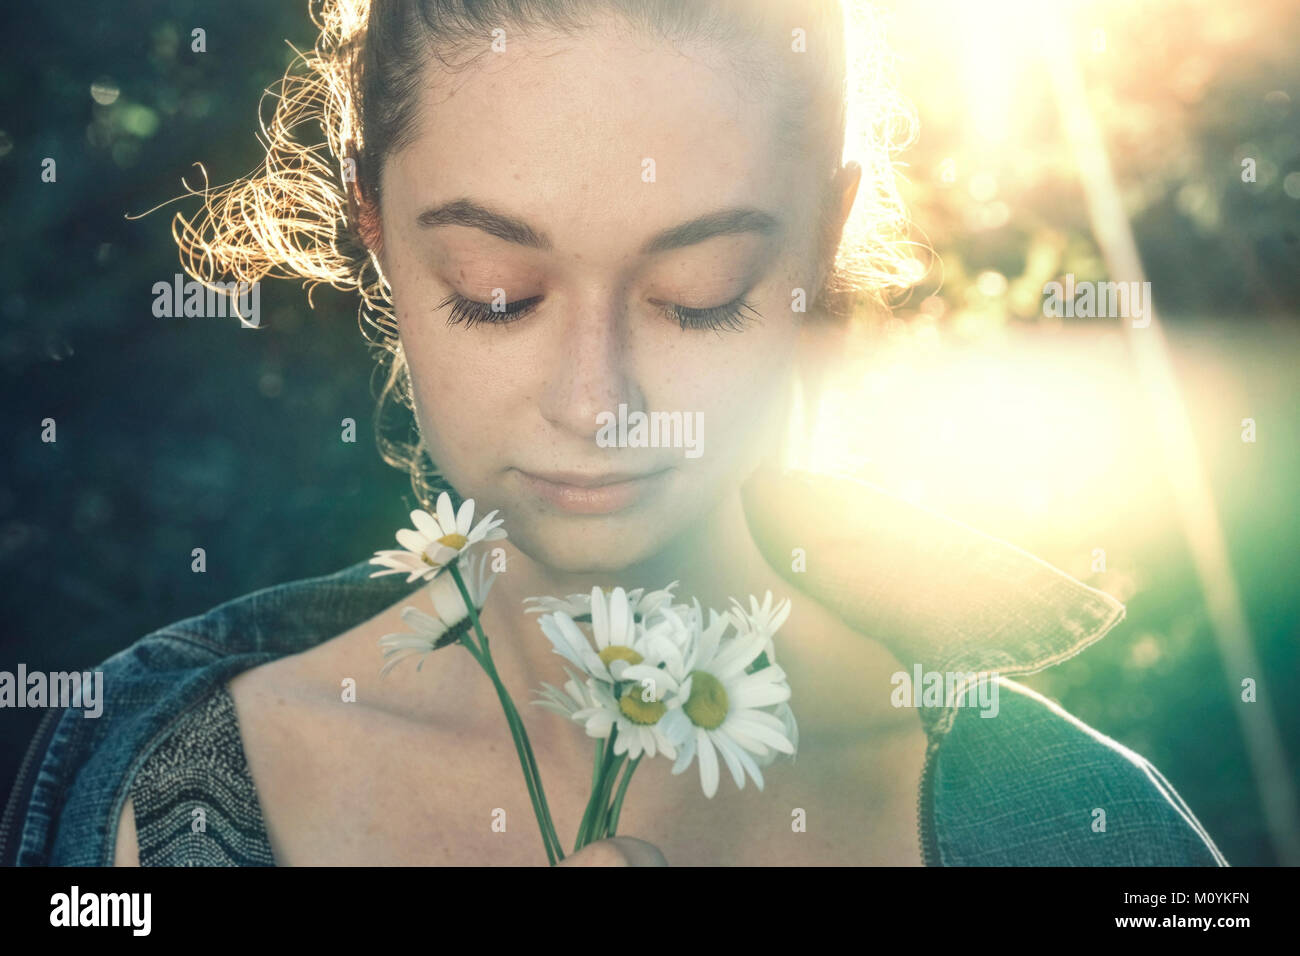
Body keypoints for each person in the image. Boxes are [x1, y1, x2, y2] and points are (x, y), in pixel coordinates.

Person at [6, 0, 1226, 867]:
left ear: (819, 245)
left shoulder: (1086, 829)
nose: (597, 403)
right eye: (497, 291)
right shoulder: (152, 800)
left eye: (700, 294)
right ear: (372, 224)